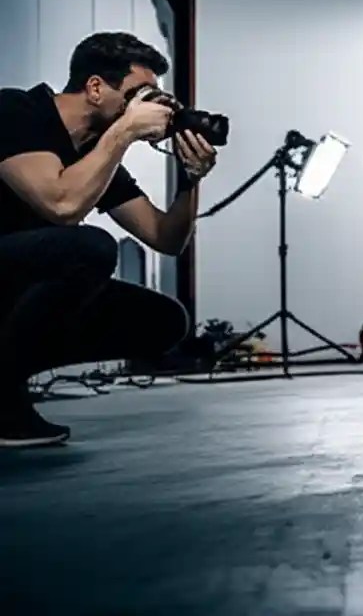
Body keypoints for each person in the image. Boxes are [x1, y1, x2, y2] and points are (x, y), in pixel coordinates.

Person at [0, 32, 219, 447]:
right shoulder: (16, 110)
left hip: (14, 292)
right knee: (90, 248)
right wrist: (123, 134)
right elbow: (61, 205)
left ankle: (8, 377)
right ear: (96, 87)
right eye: (139, 95)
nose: (148, 109)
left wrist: (190, 180)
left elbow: (165, 238)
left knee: (165, 320)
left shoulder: (96, 154)